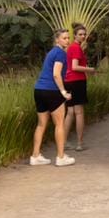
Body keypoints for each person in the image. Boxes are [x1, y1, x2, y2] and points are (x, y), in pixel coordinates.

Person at [31, 29, 76, 167]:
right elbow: (56, 74)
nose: (67, 40)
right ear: (57, 40)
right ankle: (61, 157)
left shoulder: (51, 52)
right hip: (51, 90)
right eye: (64, 38)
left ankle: (35, 156)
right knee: (59, 124)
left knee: (41, 124)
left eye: (68, 38)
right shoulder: (60, 53)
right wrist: (63, 91)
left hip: (39, 90)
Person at [63, 24, 96, 151]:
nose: (83, 36)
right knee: (79, 112)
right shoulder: (76, 48)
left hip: (68, 81)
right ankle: (79, 143)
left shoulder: (71, 47)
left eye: (84, 34)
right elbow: (75, 66)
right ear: (75, 35)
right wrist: (90, 69)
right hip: (77, 82)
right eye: (80, 34)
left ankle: (64, 142)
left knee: (70, 112)